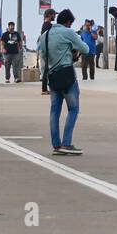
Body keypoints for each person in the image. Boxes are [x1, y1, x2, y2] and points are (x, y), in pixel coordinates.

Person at [39, 8, 86, 155]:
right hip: (67, 75)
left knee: (54, 111)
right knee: (73, 109)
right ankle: (66, 143)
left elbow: (43, 55)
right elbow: (85, 48)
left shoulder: (45, 36)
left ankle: (56, 146)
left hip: (52, 76)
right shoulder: (68, 32)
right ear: (68, 22)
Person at [40, 9, 57, 95]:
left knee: (47, 70)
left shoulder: (45, 25)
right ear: (50, 15)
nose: (55, 16)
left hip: (45, 50)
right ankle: (44, 89)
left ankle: (46, 88)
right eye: (54, 14)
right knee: (47, 70)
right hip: (47, 50)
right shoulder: (48, 25)